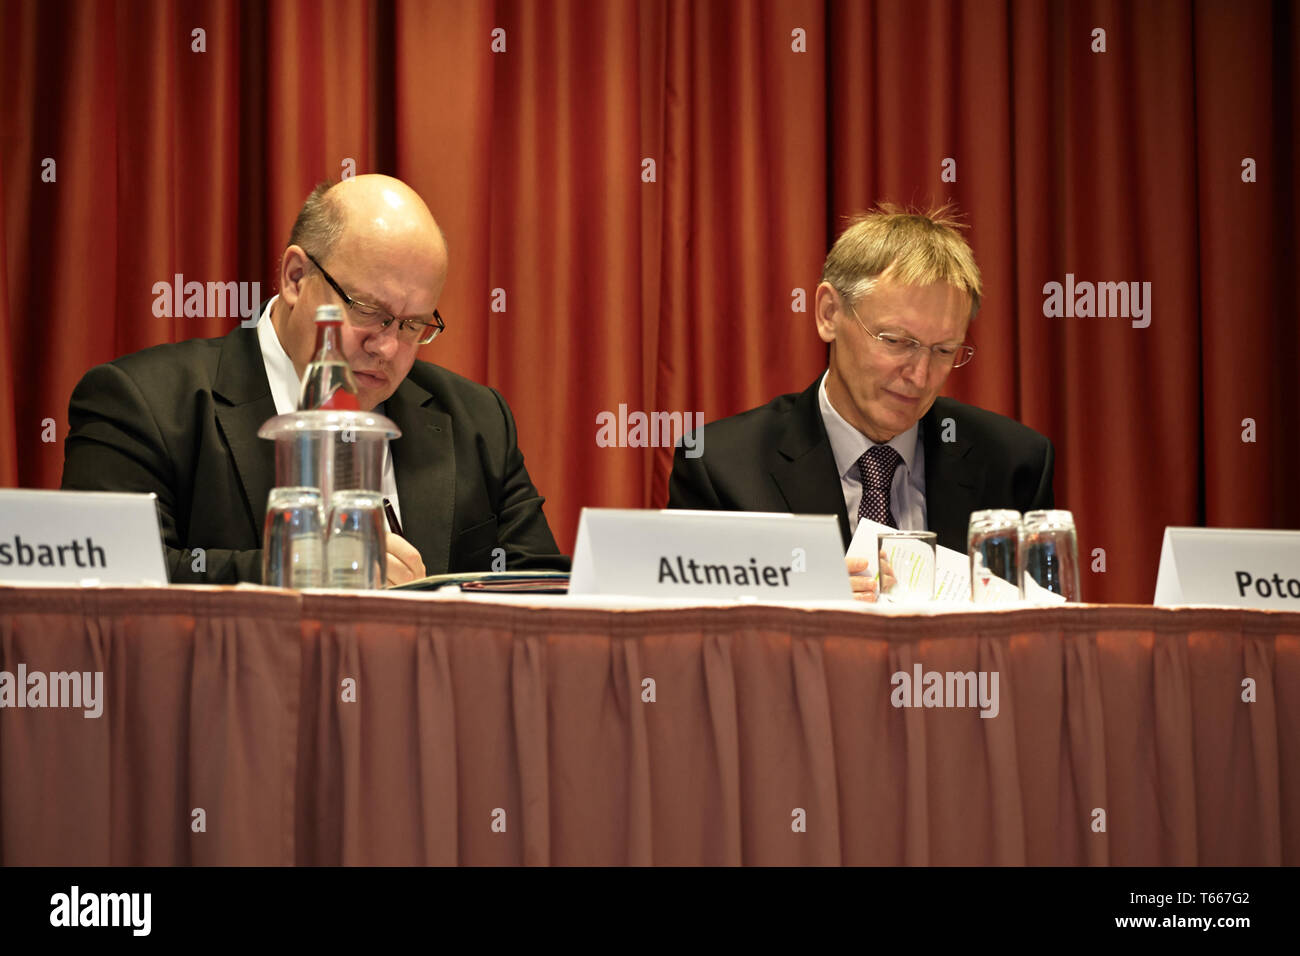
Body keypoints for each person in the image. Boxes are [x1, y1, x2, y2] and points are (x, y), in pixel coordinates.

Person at [61, 174, 567, 584]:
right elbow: (103, 580)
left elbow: (541, 589)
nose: (388, 347)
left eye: (413, 325)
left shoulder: (478, 419)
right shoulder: (141, 403)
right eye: (369, 311)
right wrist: (299, 571)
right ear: (295, 278)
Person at [667, 203, 1054, 600]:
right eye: (896, 342)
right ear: (829, 313)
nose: (919, 376)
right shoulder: (722, 469)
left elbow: (1048, 642)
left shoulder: (1013, 463)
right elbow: (691, 642)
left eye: (943, 350)